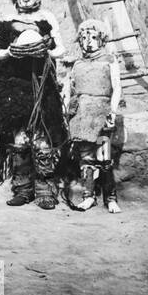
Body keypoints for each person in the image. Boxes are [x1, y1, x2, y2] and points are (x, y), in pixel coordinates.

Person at [0, 0, 67, 210]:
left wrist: (46, 50)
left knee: (43, 139)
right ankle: (22, 189)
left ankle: (46, 191)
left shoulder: (47, 19)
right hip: (15, 88)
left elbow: (60, 50)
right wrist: (12, 51)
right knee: (19, 139)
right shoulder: (6, 22)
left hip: (42, 87)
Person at [63, 19, 122, 213]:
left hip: (101, 112)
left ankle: (111, 198)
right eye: (84, 37)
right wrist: (68, 111)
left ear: (101, 39)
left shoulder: (109, 60)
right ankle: (89, 197)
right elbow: (70, 90)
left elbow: (116, 88)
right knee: (86, 157)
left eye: (94, 37)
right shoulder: (77, 63)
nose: (89, 42)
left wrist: (112, 112)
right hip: (82, 115)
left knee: (104, 157)